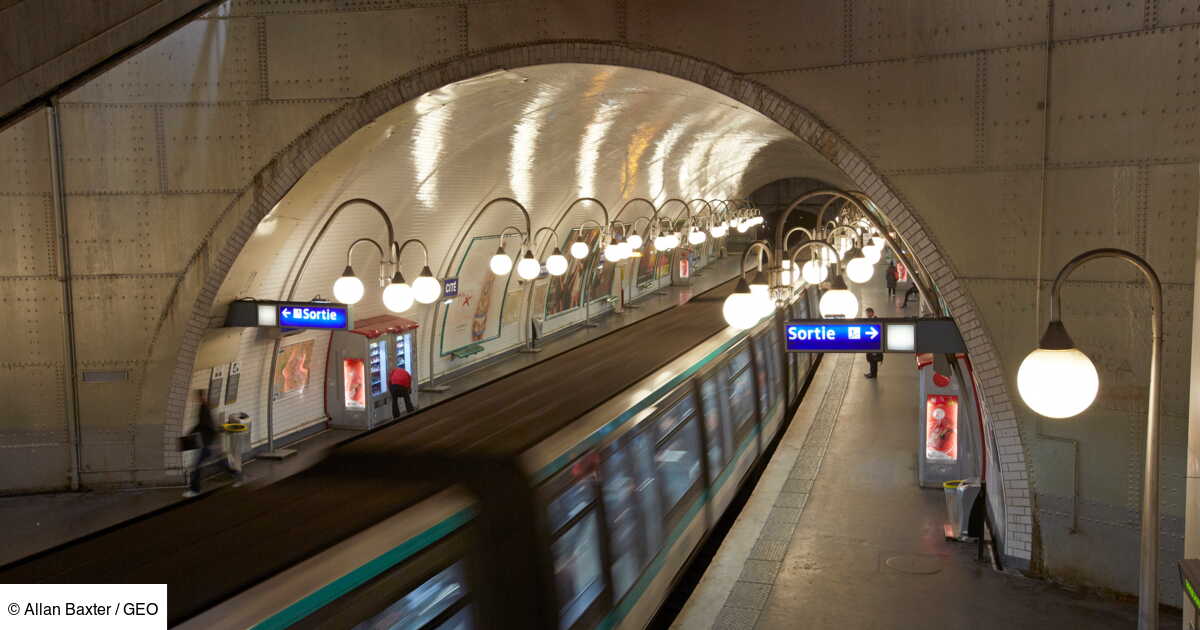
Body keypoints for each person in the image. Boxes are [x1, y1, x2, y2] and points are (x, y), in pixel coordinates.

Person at [183, 390, 242, 498]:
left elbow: (204, 425)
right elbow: (204, 425)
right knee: (219, 464)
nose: (195, 399)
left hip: (208, 443)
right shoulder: (205, 407)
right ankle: (237, 475)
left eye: (196, 397)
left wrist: (192, 433)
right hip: (209, 442)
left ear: (200, 397)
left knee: (197, 466)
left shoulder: (204, 409)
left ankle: (195, 490)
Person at [864, 307, 883, 379]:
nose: (867, 314)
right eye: (867, 313)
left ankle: (873, 374)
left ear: (872, 313)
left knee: (873, 360)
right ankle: (872, 373)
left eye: (868, 313)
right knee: (872, 360)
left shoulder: (875, 320)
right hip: (871, 344)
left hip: (874, 344)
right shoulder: (871, 320)